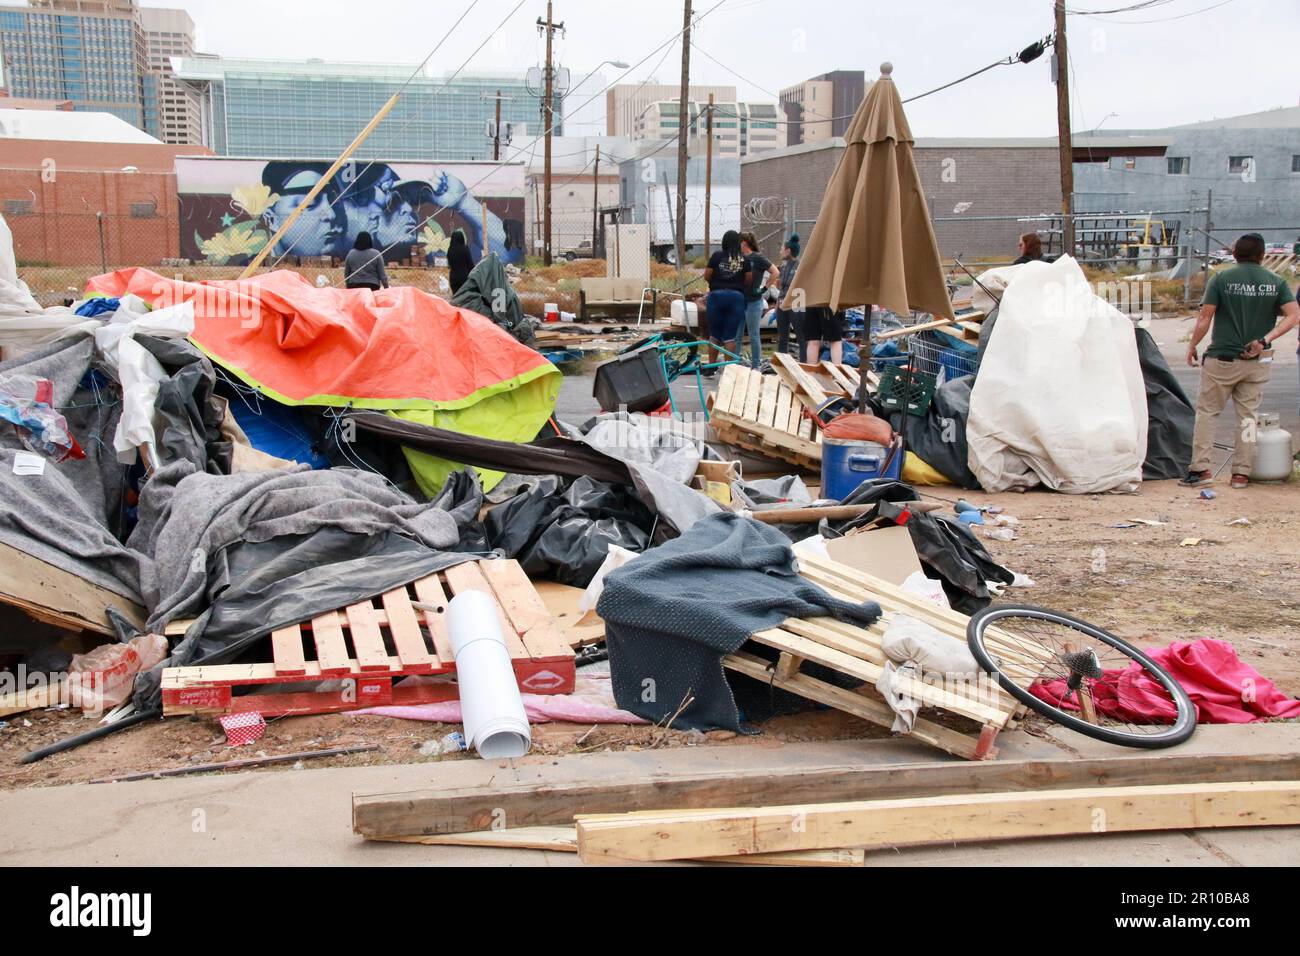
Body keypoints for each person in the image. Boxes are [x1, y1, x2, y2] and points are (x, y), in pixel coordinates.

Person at [1182, 233, 1299, 489]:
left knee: (1207, 414)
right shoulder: (1276, 282)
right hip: (1256, 361)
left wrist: (1192, 345)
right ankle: (1241, 472)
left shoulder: (1222, 278)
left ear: (1235, 254)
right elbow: (1293, 316)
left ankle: (1201, 469)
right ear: (1261, 255)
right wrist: (1264, 340)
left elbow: (1205, 317)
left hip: (1222, 359)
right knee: (1247, 418)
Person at [703, 231, 750, 363]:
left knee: (714, 334)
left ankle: (711, 367)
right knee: (730, 336)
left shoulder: (717, 256)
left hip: (717, 296)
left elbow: (707, 275)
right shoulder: (744, 259)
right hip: (736, 297)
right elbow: (748, 279)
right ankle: (729, 368)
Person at [740, 232, 780, 369]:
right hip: (740, 300)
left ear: (744, 243)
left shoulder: (757, 258)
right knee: (737, 334)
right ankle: (734, 363)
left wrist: (765, 288)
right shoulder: (738, 258)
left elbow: (775, 272)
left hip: (753, 301)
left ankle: (756, 365)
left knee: (753, 334)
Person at [774, 233, 804, 358]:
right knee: (782, 336)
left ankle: (804, 363)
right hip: (782, 302)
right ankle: (782, 362)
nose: (780, 251)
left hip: (796, 302)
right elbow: (779, 286)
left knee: (801, 335)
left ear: (788, 250)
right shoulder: (783, 267)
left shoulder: (799, 266)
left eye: (782, 249)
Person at [446, 228, 474, 294]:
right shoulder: (465, 249)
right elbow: (470, 264)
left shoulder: (450, 250)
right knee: (464, 298)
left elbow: (450, 264)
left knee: (456, 298)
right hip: (464, 277)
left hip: (453, 277)